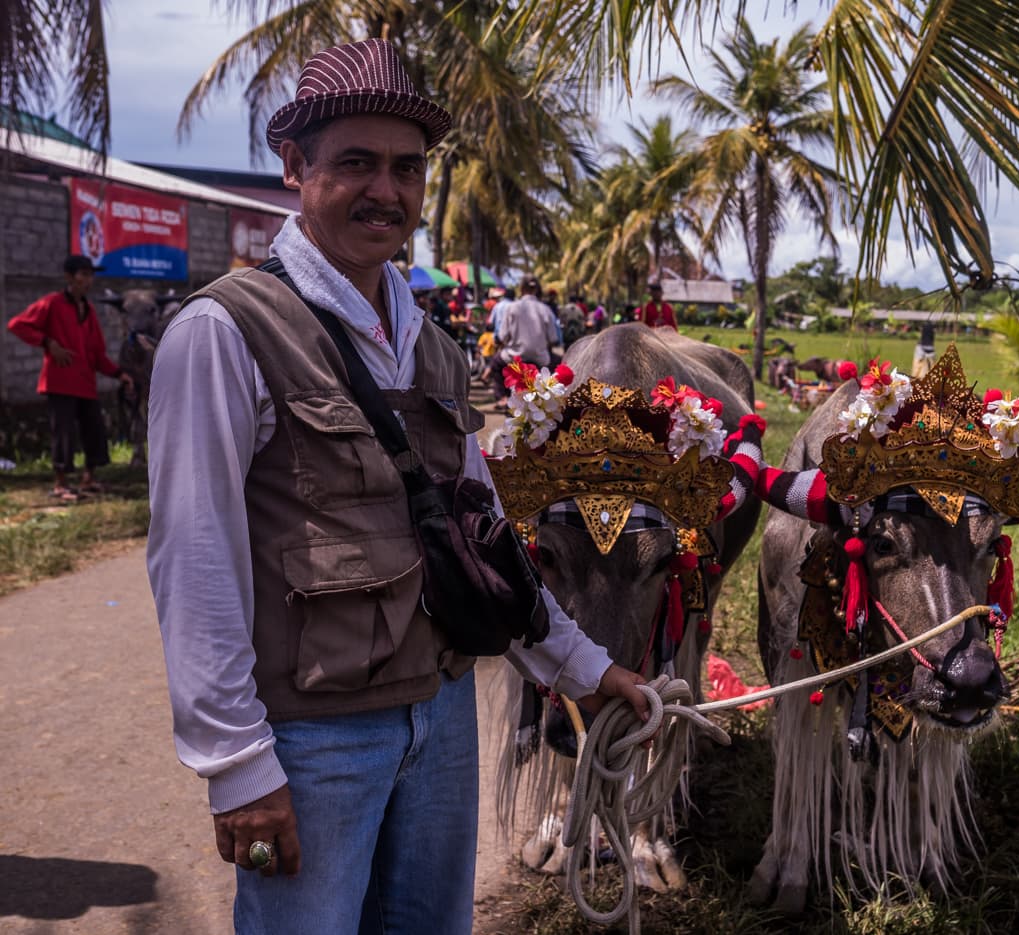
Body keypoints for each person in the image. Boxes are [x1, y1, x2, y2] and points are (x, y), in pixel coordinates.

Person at [144, 38, 648, 935]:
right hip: (313, 741)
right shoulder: (224, 331)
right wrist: (237, 768)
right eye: (357, 163)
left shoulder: (434, 347)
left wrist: (584, 668)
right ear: (294, 165)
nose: (388, 190)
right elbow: (195, 562)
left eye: (407, 168)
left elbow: (482, 534)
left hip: (442, 716)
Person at [7, 254, 133, 501]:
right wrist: (48, 342)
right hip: (60, 382)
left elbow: (97, 354)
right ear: (69, 277)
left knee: (94, 430)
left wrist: (120, 374)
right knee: (63, 434)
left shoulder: (90, 311)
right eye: (83, 275)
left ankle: (89, 479)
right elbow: (17, 324)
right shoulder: (52, 303)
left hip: (85, 383)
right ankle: (61, 483)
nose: (88, 280)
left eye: (90, 275)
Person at [489, 275, 558, 409]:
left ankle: (502, 398)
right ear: (537, 289)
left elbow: (502, 336)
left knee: (495, 364)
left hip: (514, 358)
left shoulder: (512, 307)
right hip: (540, 359)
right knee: (560, 367)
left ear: (521, 289)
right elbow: (553, 339)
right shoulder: (545, 309)